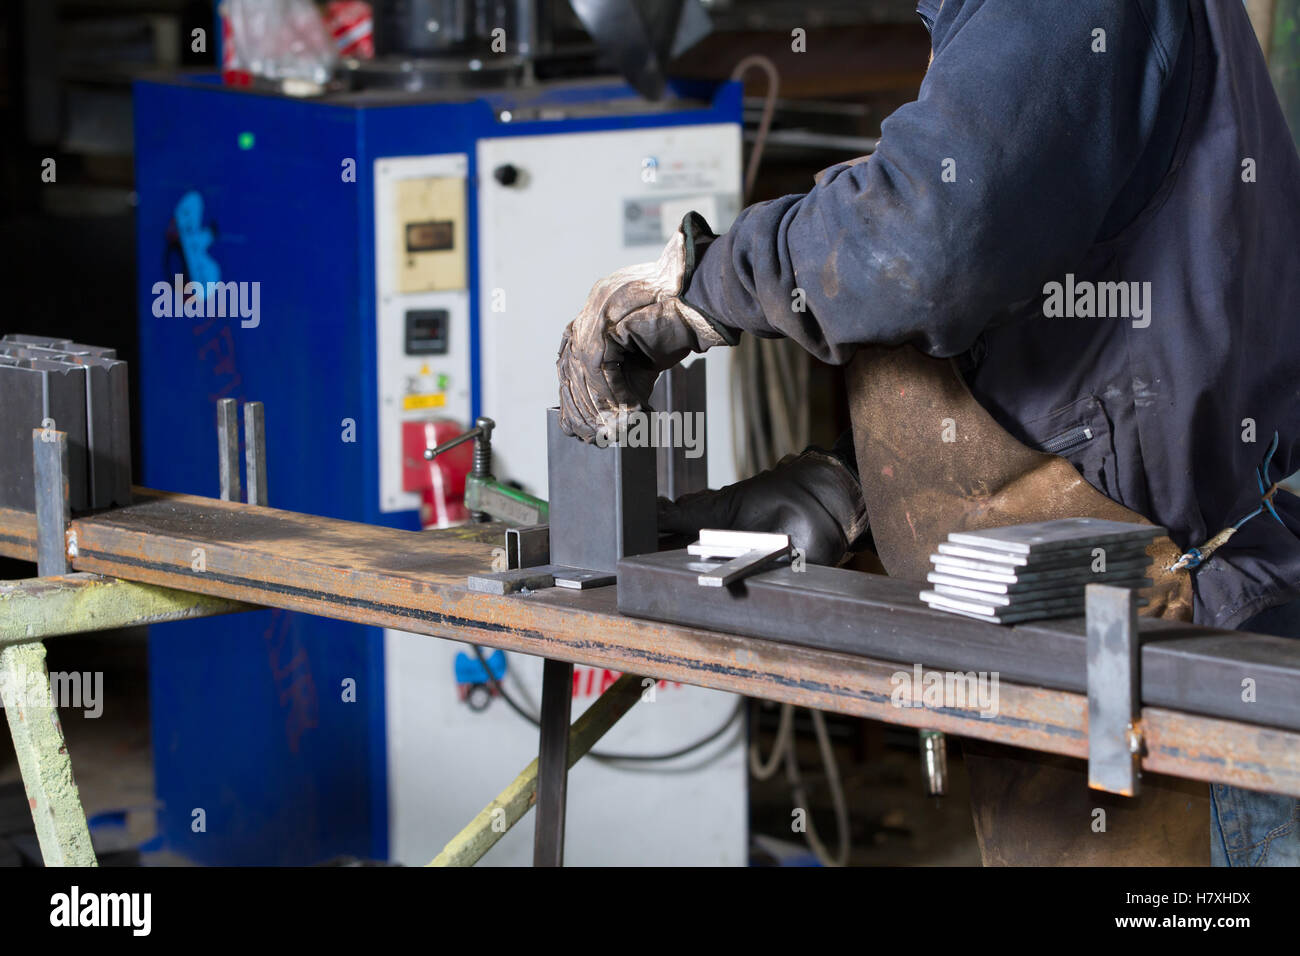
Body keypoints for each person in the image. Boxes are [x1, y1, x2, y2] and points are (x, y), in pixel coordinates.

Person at [556, 0, 1300, 865]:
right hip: (1103, 656)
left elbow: (921, 241)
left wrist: (699, 290)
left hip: (1196, 663)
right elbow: (1074, 332)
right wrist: (857, 487)